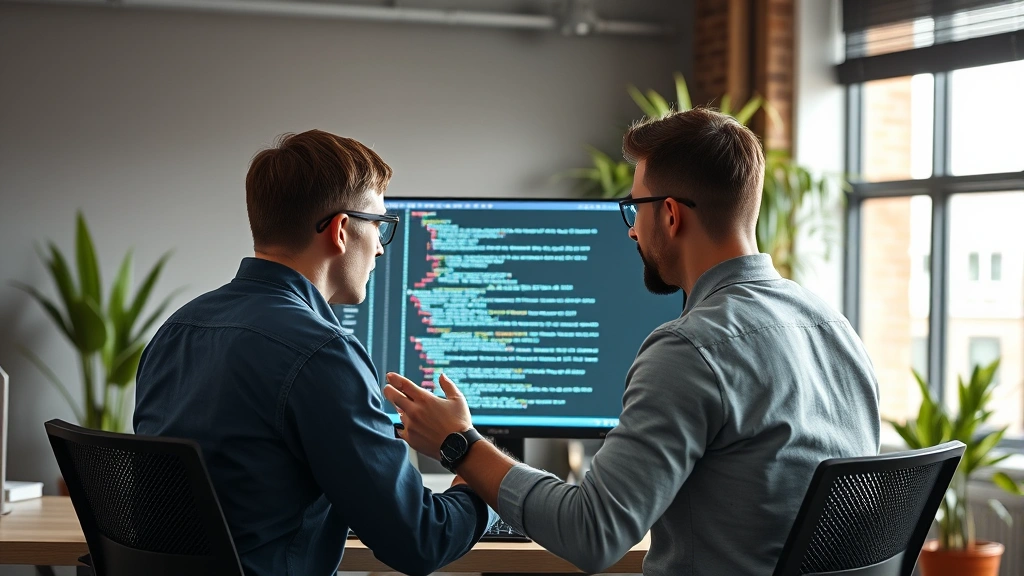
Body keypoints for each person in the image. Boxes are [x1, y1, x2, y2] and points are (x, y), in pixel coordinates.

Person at [383, 108, 881, 576]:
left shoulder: (692, 349)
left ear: (669, 215)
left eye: (633, 208)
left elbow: (592, 533)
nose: (630, 232)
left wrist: (460, 445)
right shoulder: (833, 326)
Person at [134, 130, 495, 576]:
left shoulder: (177, 330)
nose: (381, 246)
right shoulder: (323, 353)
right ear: (342, 230)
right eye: (379, 225)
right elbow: (421, 541)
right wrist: (480, 478)